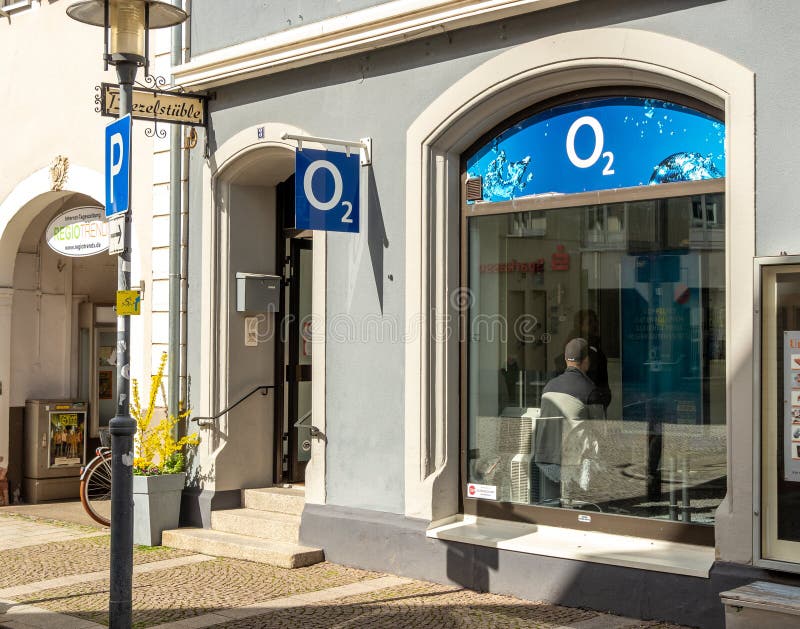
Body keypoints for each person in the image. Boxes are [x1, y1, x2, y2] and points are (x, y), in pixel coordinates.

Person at [534, 338, 605, 503]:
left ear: (566, 360)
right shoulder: (590, 389)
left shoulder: (549, 386)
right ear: (586, 361)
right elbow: (601, 429)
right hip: (575, 465)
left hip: (545, 460)